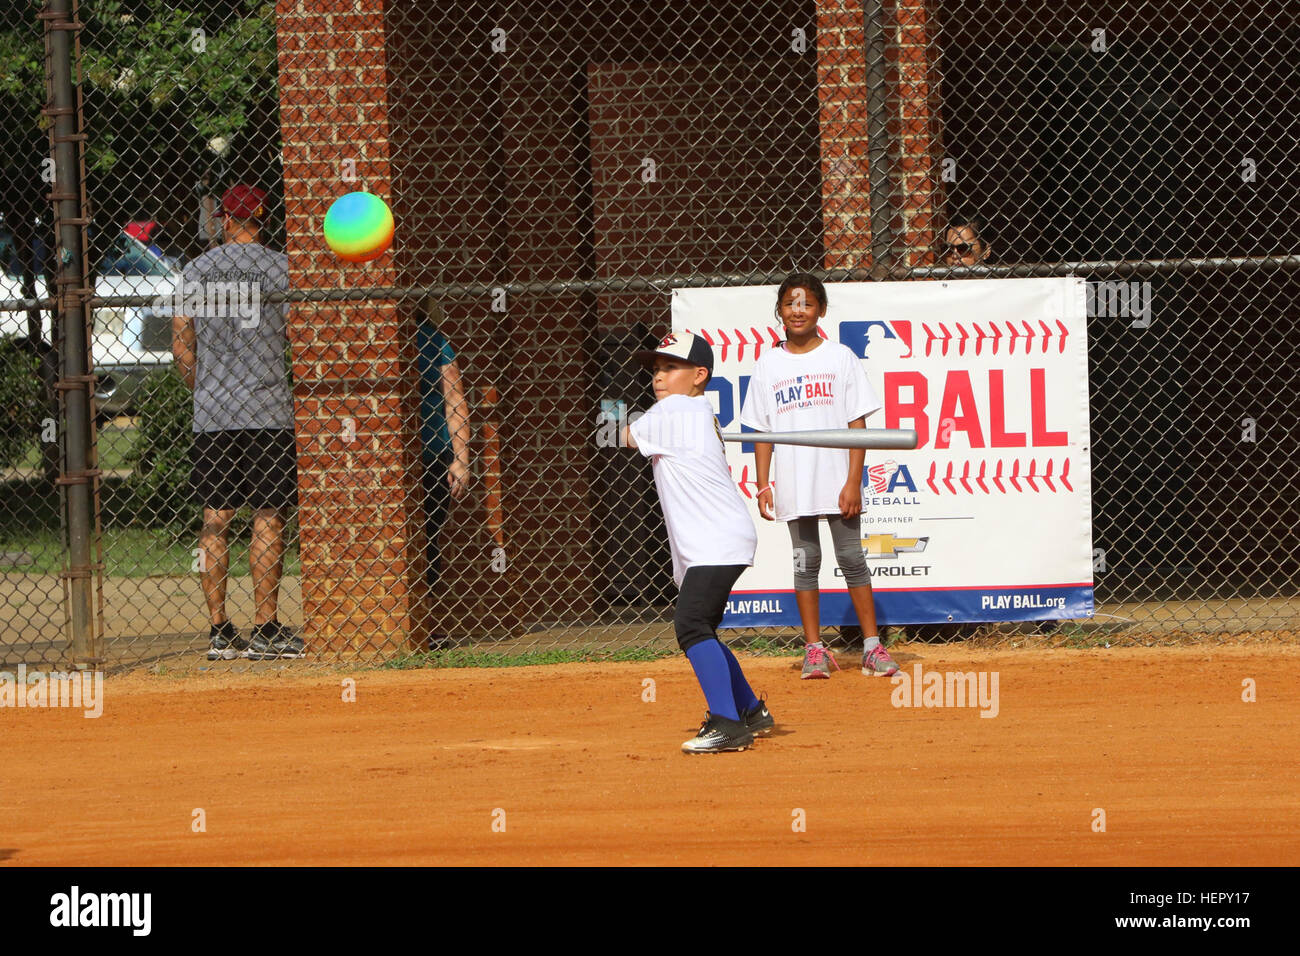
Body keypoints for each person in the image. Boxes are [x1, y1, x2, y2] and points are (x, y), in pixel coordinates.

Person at [739, 273, 900, 679]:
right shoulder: (768, 364)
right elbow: (762, 431)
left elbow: (856, 425)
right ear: (779, 310)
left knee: (851, 557)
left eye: (807, 303)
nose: (798, 311)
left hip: (836, 480)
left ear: (821, 310)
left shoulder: (840, 357)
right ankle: (814, 649)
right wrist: (762, 484)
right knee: (804, 561)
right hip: (794, 482)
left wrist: (853, 480)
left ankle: (871, 646)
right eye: (790, 304)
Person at [623, 331, 772, 753]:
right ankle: (748, 711)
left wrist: (608, 412)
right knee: (702, 627)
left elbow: (621, 436)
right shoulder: (692, 410)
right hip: (718, 536)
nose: (659, 376)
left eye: (671, 367)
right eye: (656, 369)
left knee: (690, 626)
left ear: (699, 375)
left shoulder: (675, 409)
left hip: (715, 539)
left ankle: (728, 724)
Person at [172, 184, 302, 661]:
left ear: (224, 219)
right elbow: (294, 336)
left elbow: (182, 345)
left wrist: (203, 389)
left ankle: (219, 631)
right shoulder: (279, 267)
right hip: (267, 409)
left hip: (213, 413)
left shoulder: (194, 270)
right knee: (268, 514)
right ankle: (266, 628)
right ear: (261, 218)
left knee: (215, 518)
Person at [415, 299, 472, 645]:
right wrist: (461, 460)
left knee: (421, 542)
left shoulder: (429, 339)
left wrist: (459, 458)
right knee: (429, 542)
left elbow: (454, 400)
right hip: (434, 454)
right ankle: (427, 625)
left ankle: (423, 624)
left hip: (424, 454)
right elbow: (456, 400)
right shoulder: (434, 339)